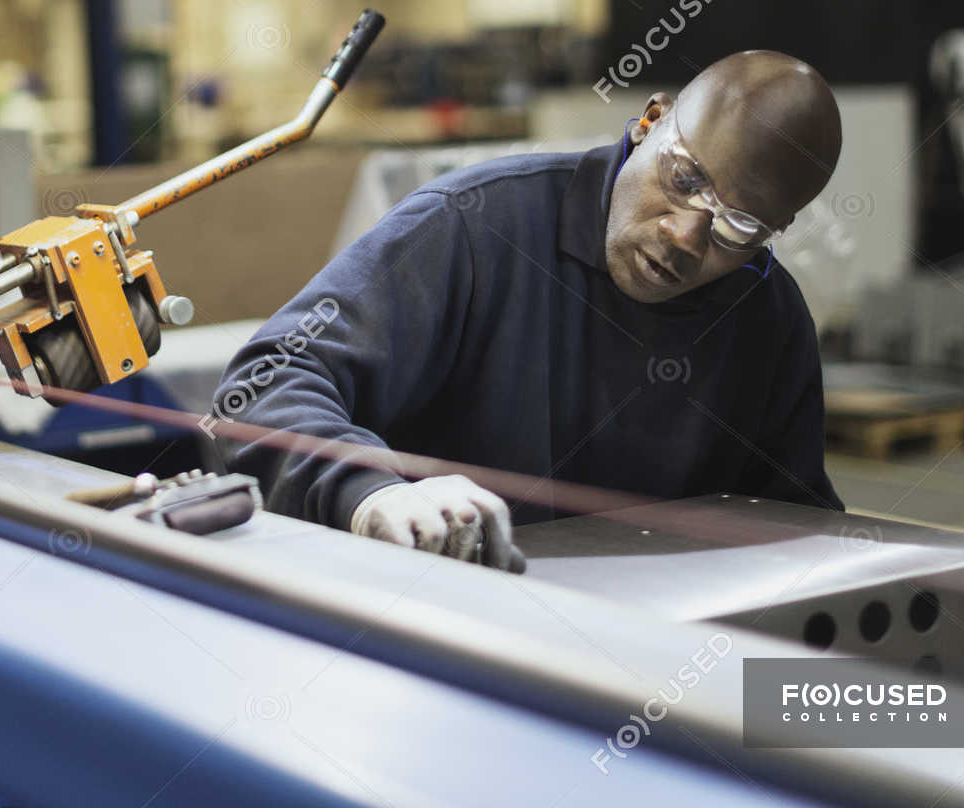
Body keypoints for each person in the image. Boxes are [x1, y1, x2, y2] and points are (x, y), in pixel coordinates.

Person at [214, 50, 845, 571]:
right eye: (683, 180)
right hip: (439, 637)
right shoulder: (472, 228)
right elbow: (263, 384)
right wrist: (366, 491)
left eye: (737, 227)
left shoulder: (768, 318)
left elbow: (795, 526)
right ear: (649, 123)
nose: (685, 235)